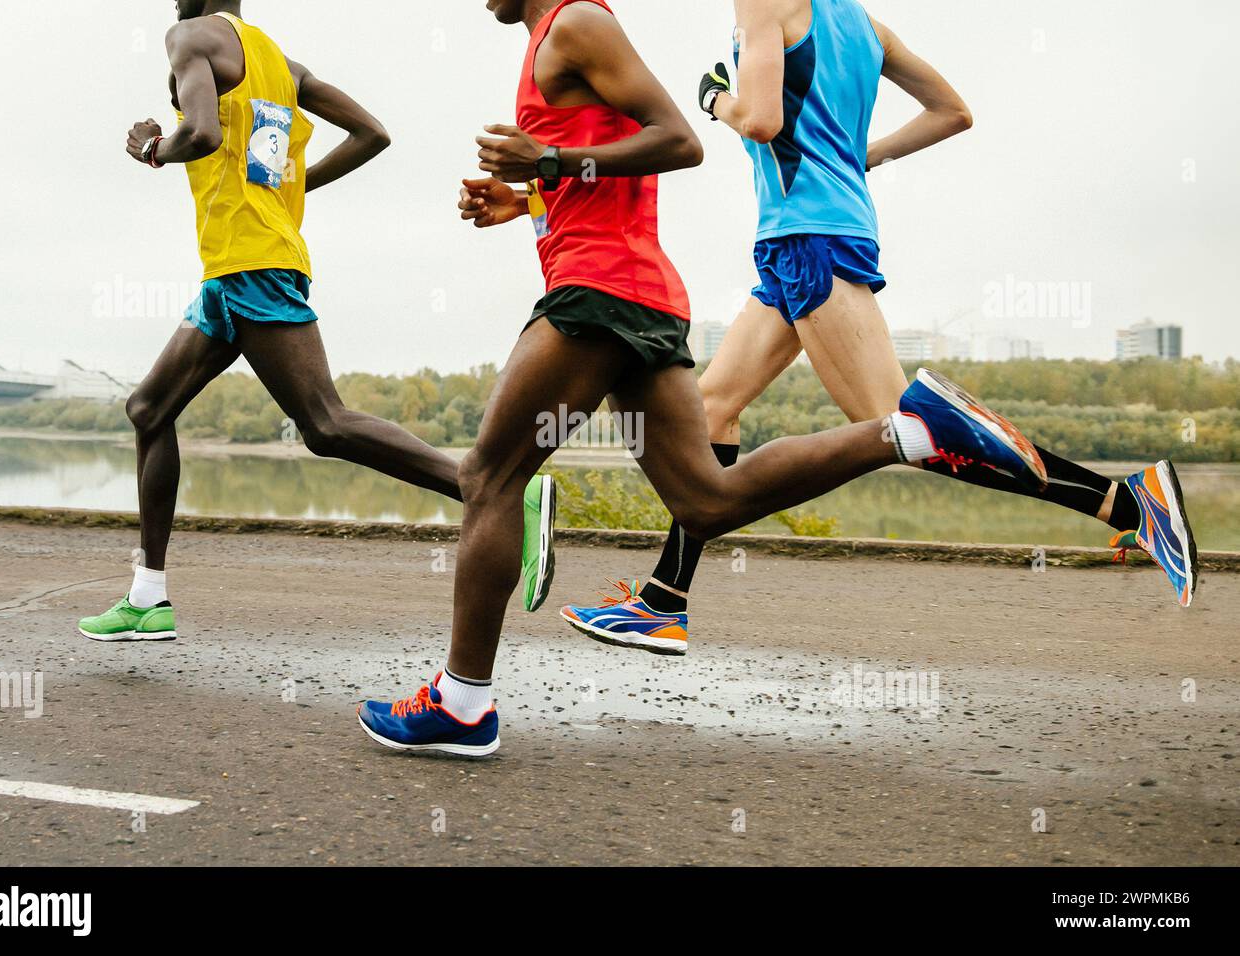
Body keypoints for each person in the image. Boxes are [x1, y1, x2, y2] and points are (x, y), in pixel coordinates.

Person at [356, 0, 1049, 756]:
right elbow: (608, 169)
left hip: (598, 295)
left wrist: (548, 163)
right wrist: (527, 197)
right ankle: (905, 433)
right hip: (637, 298)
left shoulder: (576, 23)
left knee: (490, 477)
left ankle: (461, 705)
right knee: (706, 500)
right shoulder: (552, 41)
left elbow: (680, 143)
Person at [560, 0, 1198, 657]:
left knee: (902, 426)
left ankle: (1128, 504)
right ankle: (664, 602)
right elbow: (953, 112)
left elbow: (760, 118)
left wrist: (715, 99)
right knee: (711, 410)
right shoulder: (864, 26)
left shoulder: (761, 5)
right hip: (815, 235)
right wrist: (861, 157)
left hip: (808, 238)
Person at [78, 0, 556, 643]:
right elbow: (372, 134)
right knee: (148, 410)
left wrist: (153, 148)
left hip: (252, 268)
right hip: (232, 272)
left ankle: (492, 489)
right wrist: (292, 190)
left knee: (325, 424)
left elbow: (202, 135)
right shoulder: (281, 64)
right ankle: (148, 597)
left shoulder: (189, 36)